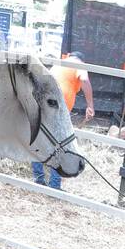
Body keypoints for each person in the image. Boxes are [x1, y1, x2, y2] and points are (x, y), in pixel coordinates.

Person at [32, 52, 94, 189]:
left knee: (39, 138)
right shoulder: (79, 64)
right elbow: (84, 80)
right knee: (59, 144)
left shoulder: (60, 64)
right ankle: (54, 184)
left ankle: (38, 178)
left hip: (43, 100)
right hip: (58, 106)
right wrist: (90, 105)